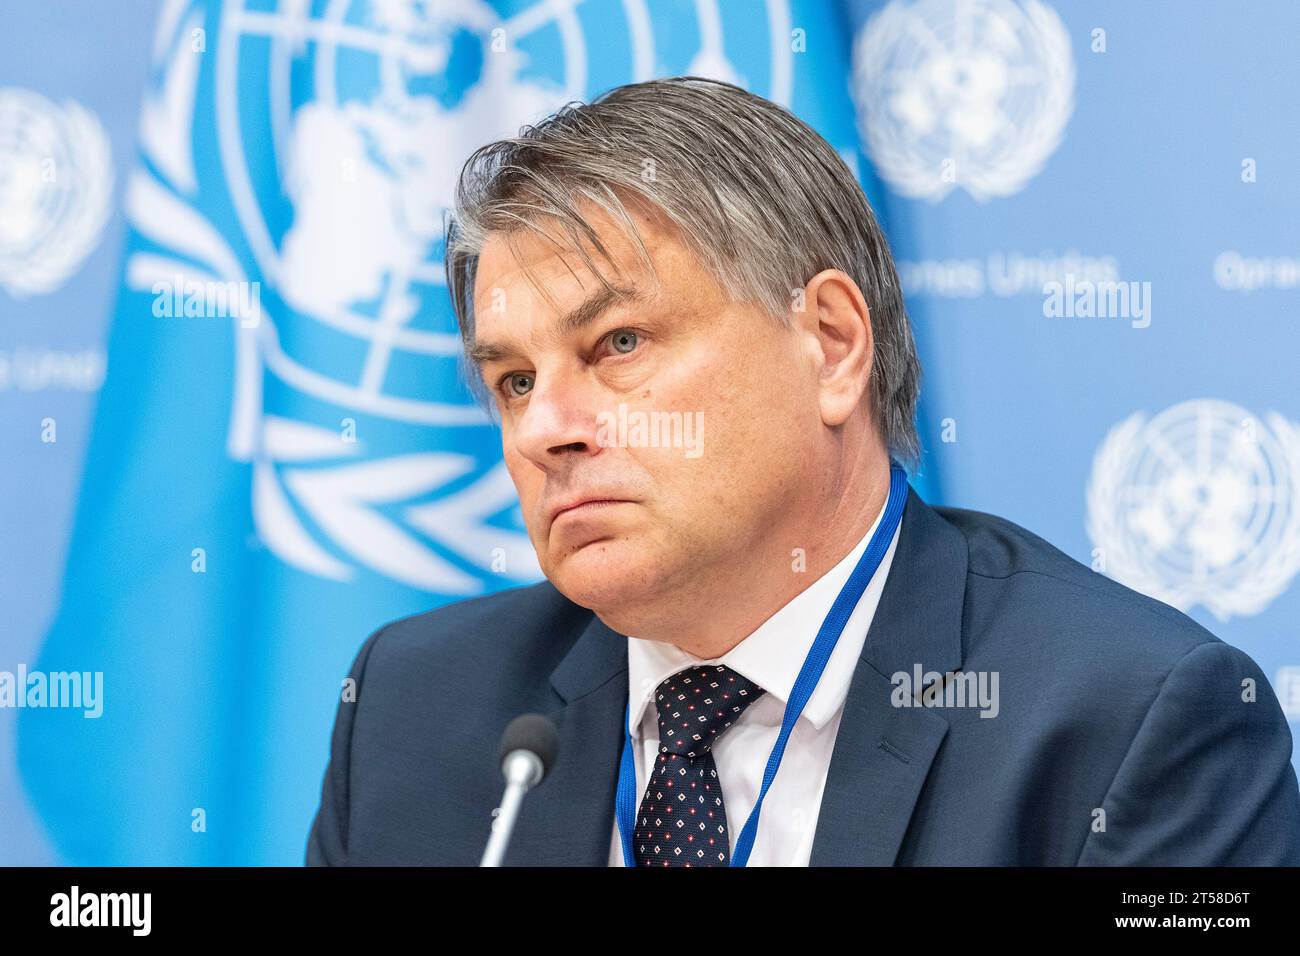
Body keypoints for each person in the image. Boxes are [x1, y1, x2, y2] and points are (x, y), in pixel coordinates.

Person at [305, 76, 1300, 866]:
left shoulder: (1126, 725)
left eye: (617, 344)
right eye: (515, 380)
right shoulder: (415, 706)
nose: (544, 430)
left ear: (829, 344)